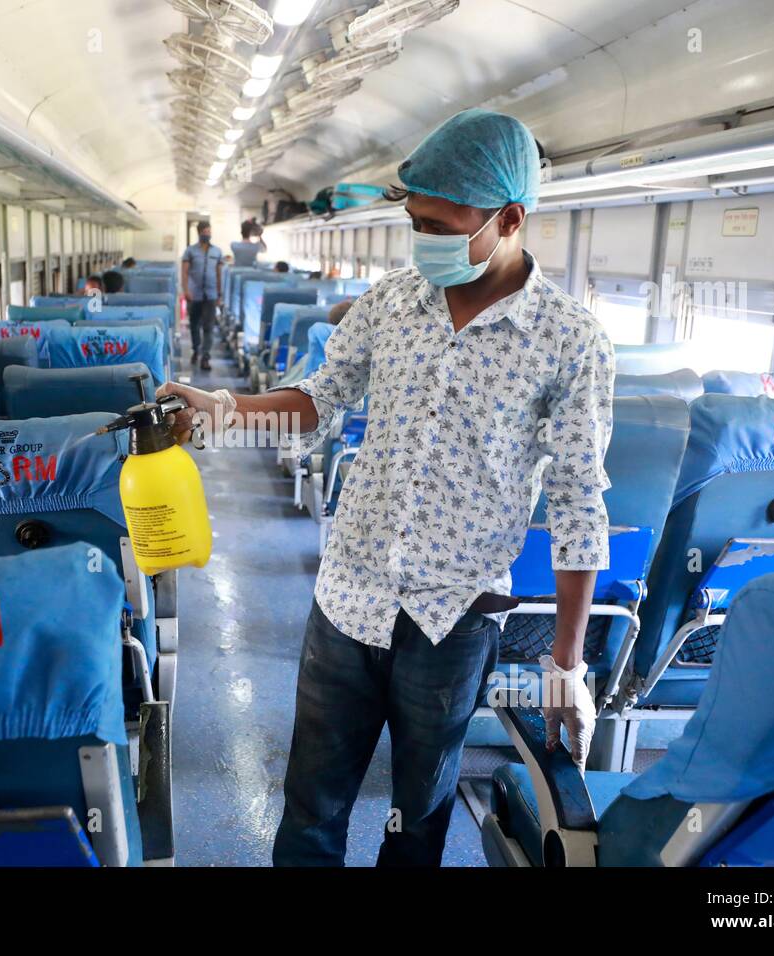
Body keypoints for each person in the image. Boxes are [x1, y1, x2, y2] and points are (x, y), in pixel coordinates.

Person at [158, 108, 613, 866]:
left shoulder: (570, 342)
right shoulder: (393, 303)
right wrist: (226, 413)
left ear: (509, 219)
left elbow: (577, 502)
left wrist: (567, 664)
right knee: (310, 807)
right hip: (348, 596)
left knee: (418, 819)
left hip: (455, 616)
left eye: (439, 223)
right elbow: (318, 402)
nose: (422, 239)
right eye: (414, 222)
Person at [180, 220, 223, 372]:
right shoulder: (190, 251)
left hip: (211, 294)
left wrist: (220, 294)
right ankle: (196, 349)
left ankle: (205, 356)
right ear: (199, 233)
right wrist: (185, 290)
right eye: (205, 232)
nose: (207, 234)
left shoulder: (217, 252)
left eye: (209, 232)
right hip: (194, 294)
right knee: (194, 325)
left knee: (209, 327)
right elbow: (184, 272)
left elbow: (219, 274)